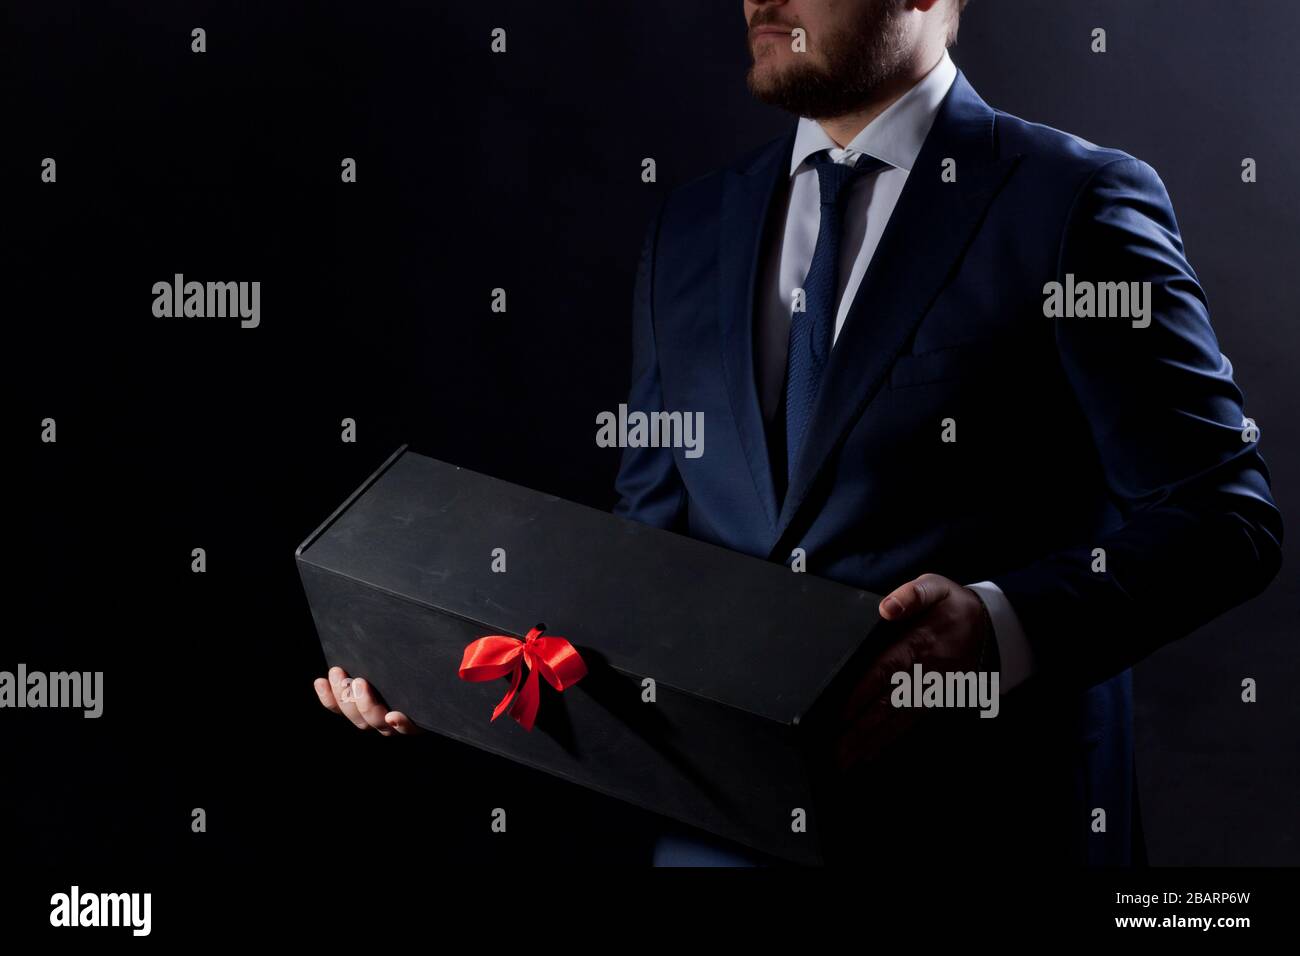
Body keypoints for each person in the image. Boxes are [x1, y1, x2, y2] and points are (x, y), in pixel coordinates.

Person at [314, 0, 1282, 866]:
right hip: (718, 841)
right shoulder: (686, 232)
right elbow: (642, 559)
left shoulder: (1074, 204)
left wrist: (995, 627)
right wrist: (440, 664)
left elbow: (1224, 514)